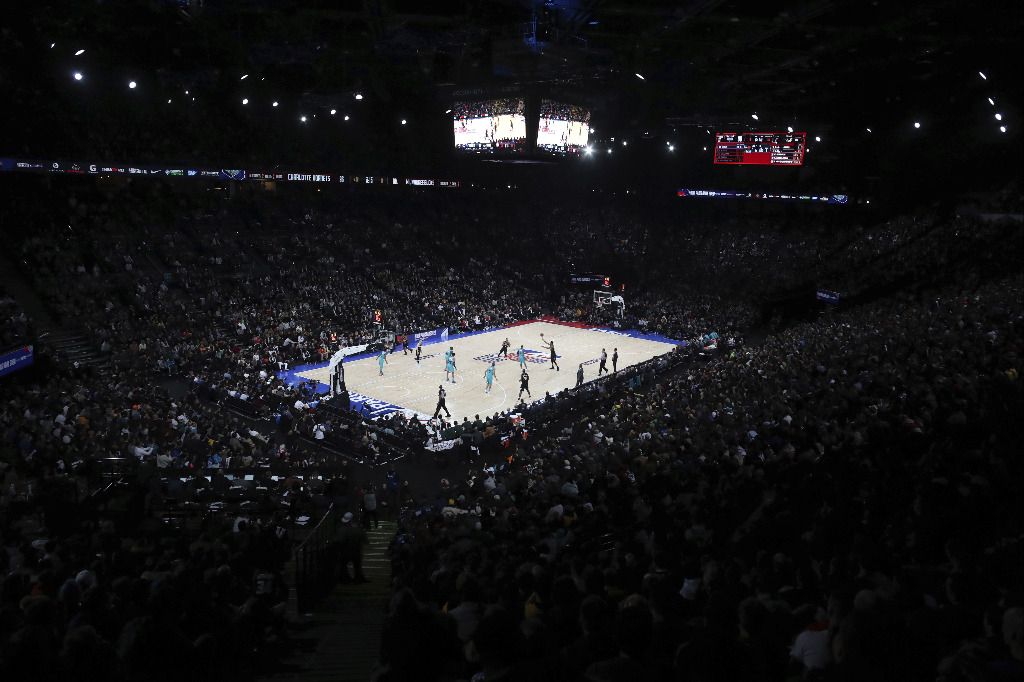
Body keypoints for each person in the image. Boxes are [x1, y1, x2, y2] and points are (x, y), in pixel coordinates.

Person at [334, 511, 368, 583]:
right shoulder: (359, 528)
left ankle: (346, 579)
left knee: (343, 565)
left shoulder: (343, 529)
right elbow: (365, 540)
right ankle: (358, 578)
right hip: (357, 550)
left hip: (346, 551)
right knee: (357, 565)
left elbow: (339, 540)